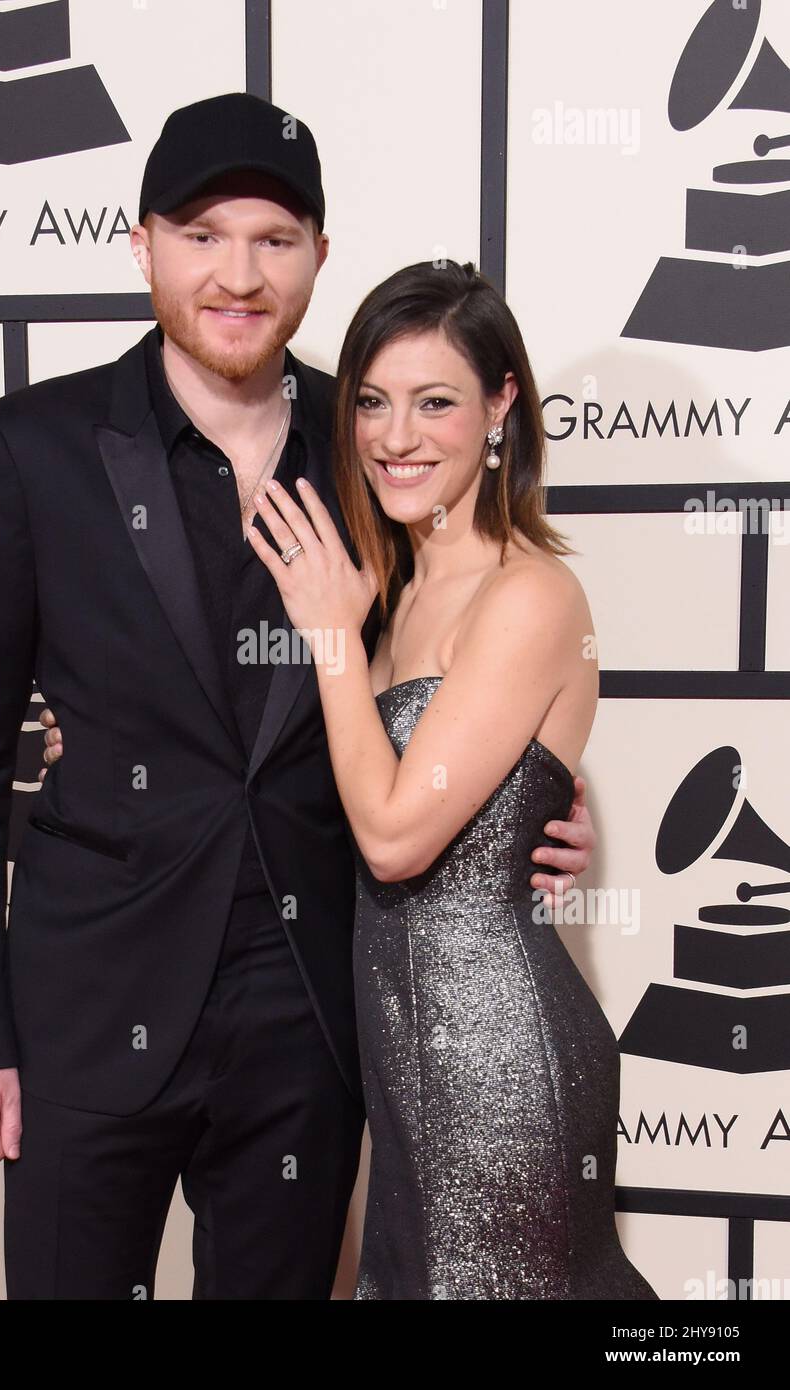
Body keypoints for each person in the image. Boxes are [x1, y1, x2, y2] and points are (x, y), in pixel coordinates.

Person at [0, 92, 595, 1301]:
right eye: (201, 233)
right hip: (87, 1019)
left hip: (311, 1020)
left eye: (274, 239)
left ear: (319, 259)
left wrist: (536, 799)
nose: (238, 273)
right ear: (141, 244)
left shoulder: (372, 444)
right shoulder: (29, 448)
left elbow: (460, 665)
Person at [236, 257, 658, 1299]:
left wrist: (331, 637)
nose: (394, 436)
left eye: (435, 402)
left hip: (497, 1059)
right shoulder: (388, 585)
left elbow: (391, 835)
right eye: (372, 403)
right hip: (400, 1056)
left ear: (500, 405)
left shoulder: (528, 594)